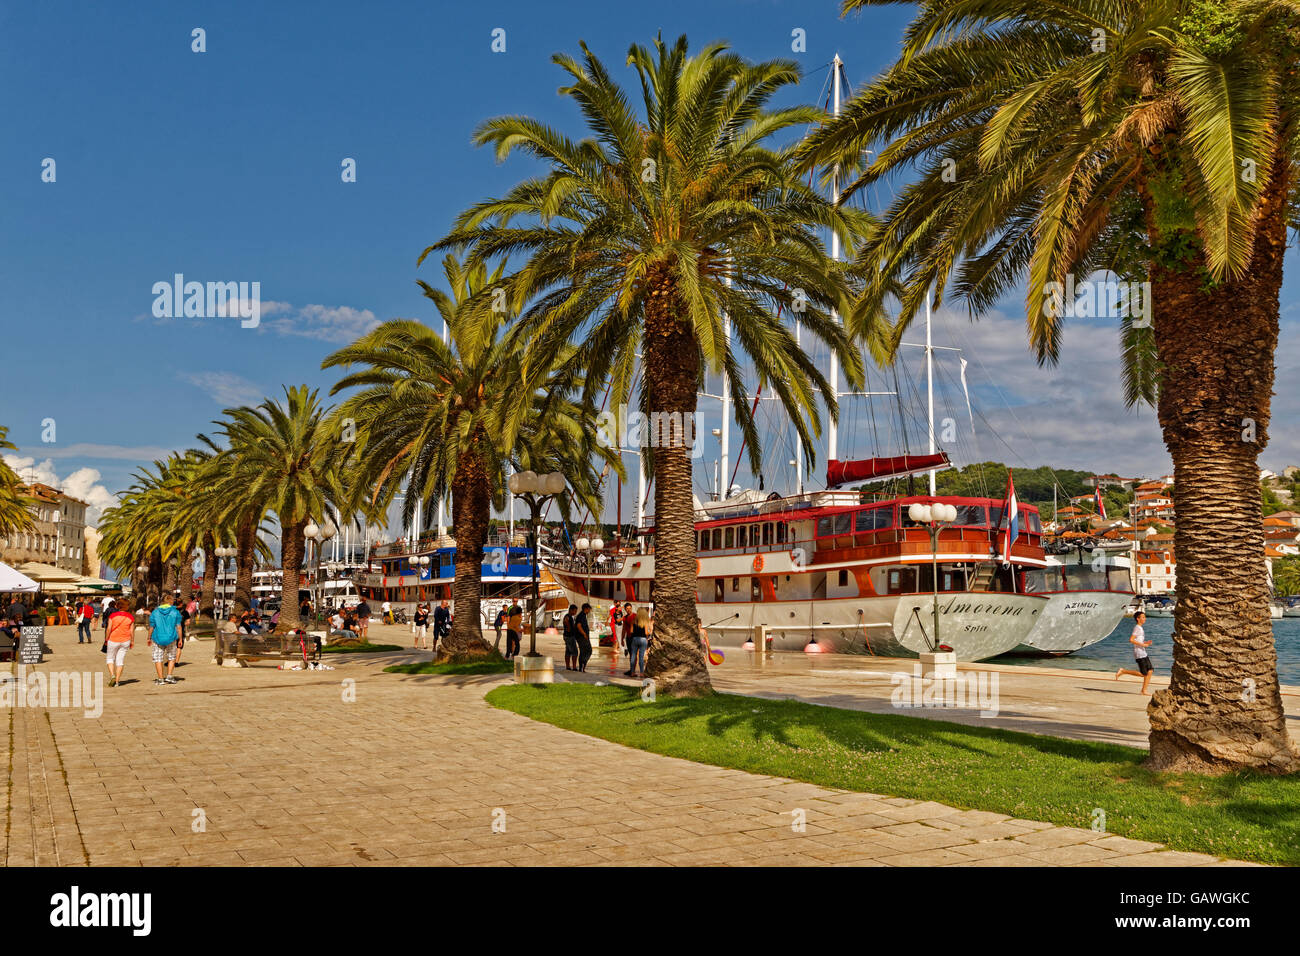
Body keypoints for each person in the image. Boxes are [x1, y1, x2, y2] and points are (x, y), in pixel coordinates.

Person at [1116, 610, 1155, 694]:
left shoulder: (1140, 628)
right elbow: (1131, 640)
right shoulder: (1137, 628)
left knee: (1150, 670)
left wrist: (1145, 643)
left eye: (1145, 617)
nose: (1145, 619)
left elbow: (1138, 641)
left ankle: (1144, 690)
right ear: (1138, 619)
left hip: (1143, 652)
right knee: (1143, 673)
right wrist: (1143, 645)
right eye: (1143, 617)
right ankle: (1123, 671)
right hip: (1139, 653)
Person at [148, 594, 183, 685]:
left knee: (158, 658)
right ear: (171, 602)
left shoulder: (155, 612)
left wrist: (149, 637)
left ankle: (160, 678)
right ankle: (169, 676)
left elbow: (152, 626)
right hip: (171, 637)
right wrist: (180, 639)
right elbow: (179, 627)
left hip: (158, 638)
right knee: (171, 657)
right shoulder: (175, 612)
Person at [105, 598, 134, 687]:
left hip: (113, 639)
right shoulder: (130, 617)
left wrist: (106, 639)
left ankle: (112, 675)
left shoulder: (113, 616)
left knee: (110, 658)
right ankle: (117, 681)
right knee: (120, 661)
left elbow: (109, 628)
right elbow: (132, 631)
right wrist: (132, 641)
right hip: (125, 640)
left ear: (118, 606)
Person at [625, 607, 651, 678]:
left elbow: (631, 631)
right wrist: (648, 633)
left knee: (633, 656)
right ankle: (642, 673)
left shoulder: (633, 621)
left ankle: (632, 672)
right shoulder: (645, 622)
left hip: (635, 639)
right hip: (643, 640)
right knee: (641, 657)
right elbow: (646, 632)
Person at [574, 603, 593, 672]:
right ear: (586, 609)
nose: (589, 611)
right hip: (582, 637)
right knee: (587, 651)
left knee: (584, 651)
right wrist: (584, 634)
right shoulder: (581, 615)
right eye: (589, 609)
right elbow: (578, 626)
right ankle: (582, 665)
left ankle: (582, 667)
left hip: (582, 637)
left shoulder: (583, 615)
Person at [561, 604, 578, 671]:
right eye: (575, 611)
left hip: (567, 635)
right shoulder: (568, 616)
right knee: (575, 652)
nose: (575, 612)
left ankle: (568, 666)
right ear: (571, 610)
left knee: (568, 651)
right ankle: (574, 667)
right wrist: (569, 628)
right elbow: (566, 621)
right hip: (569, 636)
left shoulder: (570, 616)